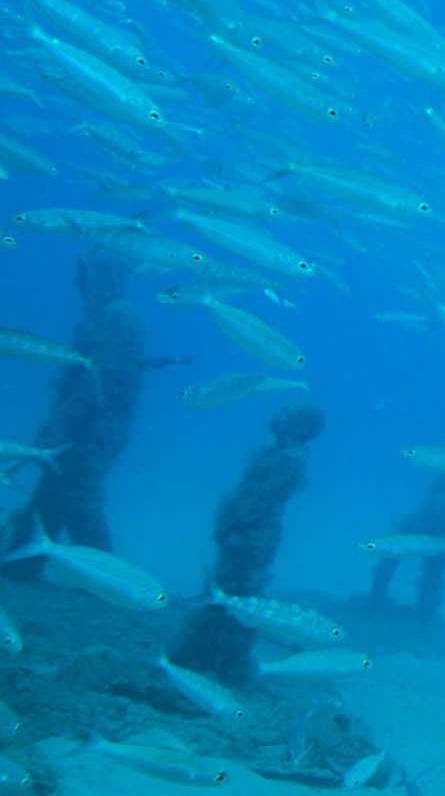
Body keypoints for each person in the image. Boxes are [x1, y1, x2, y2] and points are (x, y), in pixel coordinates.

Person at [171, 401, 326, 686]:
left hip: (251, 538)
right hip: (247, 535)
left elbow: (257, 501)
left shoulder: (288, 458)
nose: (278, 412)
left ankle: (226, 667)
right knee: (230, 596)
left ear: (299, 427)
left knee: (236, 599)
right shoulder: (279, 454)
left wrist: (232, 527)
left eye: (287, 411)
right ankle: (210, 659)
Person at [5, 253, 149, 558]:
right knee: (59, 491)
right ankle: (25, 562)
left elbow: (99, 380)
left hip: (93, 427)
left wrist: (63, 426)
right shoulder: (110, 314)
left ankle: (105, 576)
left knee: (78, 493)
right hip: (93, 424)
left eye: (84, 277)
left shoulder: (117, 314)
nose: (77, 285)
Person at [368, 400, 445, 620]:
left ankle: (421, 611)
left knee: (429, 563)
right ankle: (385, 598)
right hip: (436, 514)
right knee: (403, 551)